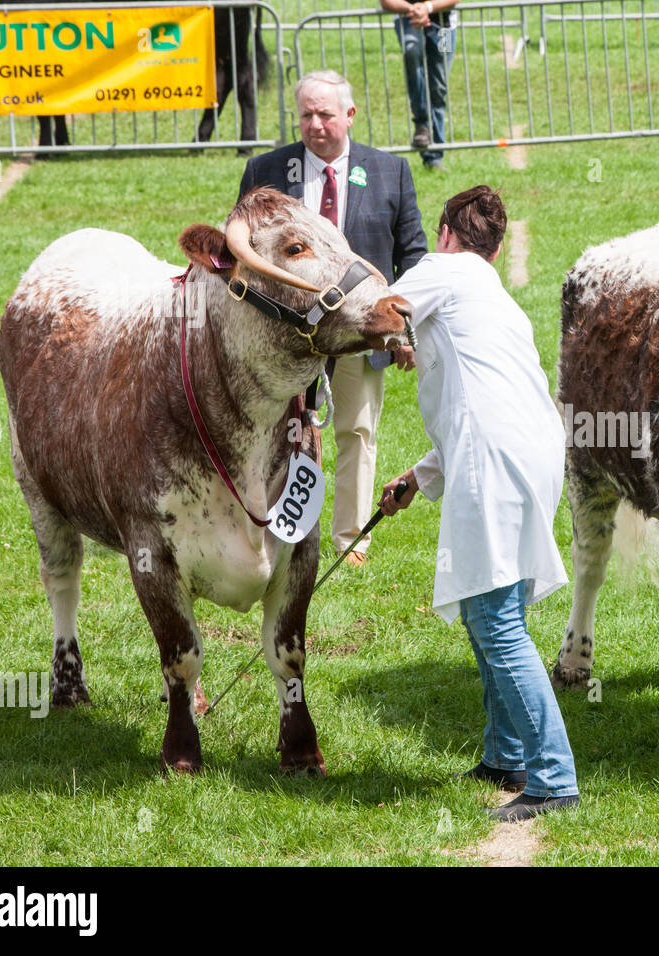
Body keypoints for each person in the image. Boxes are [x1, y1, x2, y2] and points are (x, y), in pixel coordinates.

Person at [378, 186, 579, 822]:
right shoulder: (498, 297)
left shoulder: (442, 269)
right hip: (534, 451)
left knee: (495, 618)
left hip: (496, 457)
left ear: (444, 234)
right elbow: (483, 397)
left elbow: (385, 309)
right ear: (494, 247)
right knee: (491, 605)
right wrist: (419, 474)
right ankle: (504, 755)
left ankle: (553, 777)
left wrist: (392, 340)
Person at [239, 69, 427, 568]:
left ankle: (350, 541)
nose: (315, 124)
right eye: (305, 114)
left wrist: (404, 330)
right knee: (280, 433)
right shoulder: (266, 172)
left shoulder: (390, 172)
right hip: (287, 333)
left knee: (356, 430)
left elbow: (412, 257)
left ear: (349, 115)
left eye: (325, 114)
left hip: (360, 332)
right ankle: (275, 533)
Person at [381, 0, 459, 169]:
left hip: (444, 27)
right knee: (411, 52)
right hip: (409, 19)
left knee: (439, 85)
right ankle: (422, 124)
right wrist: (413, 9)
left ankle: (434, 155)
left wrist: (427, 8)